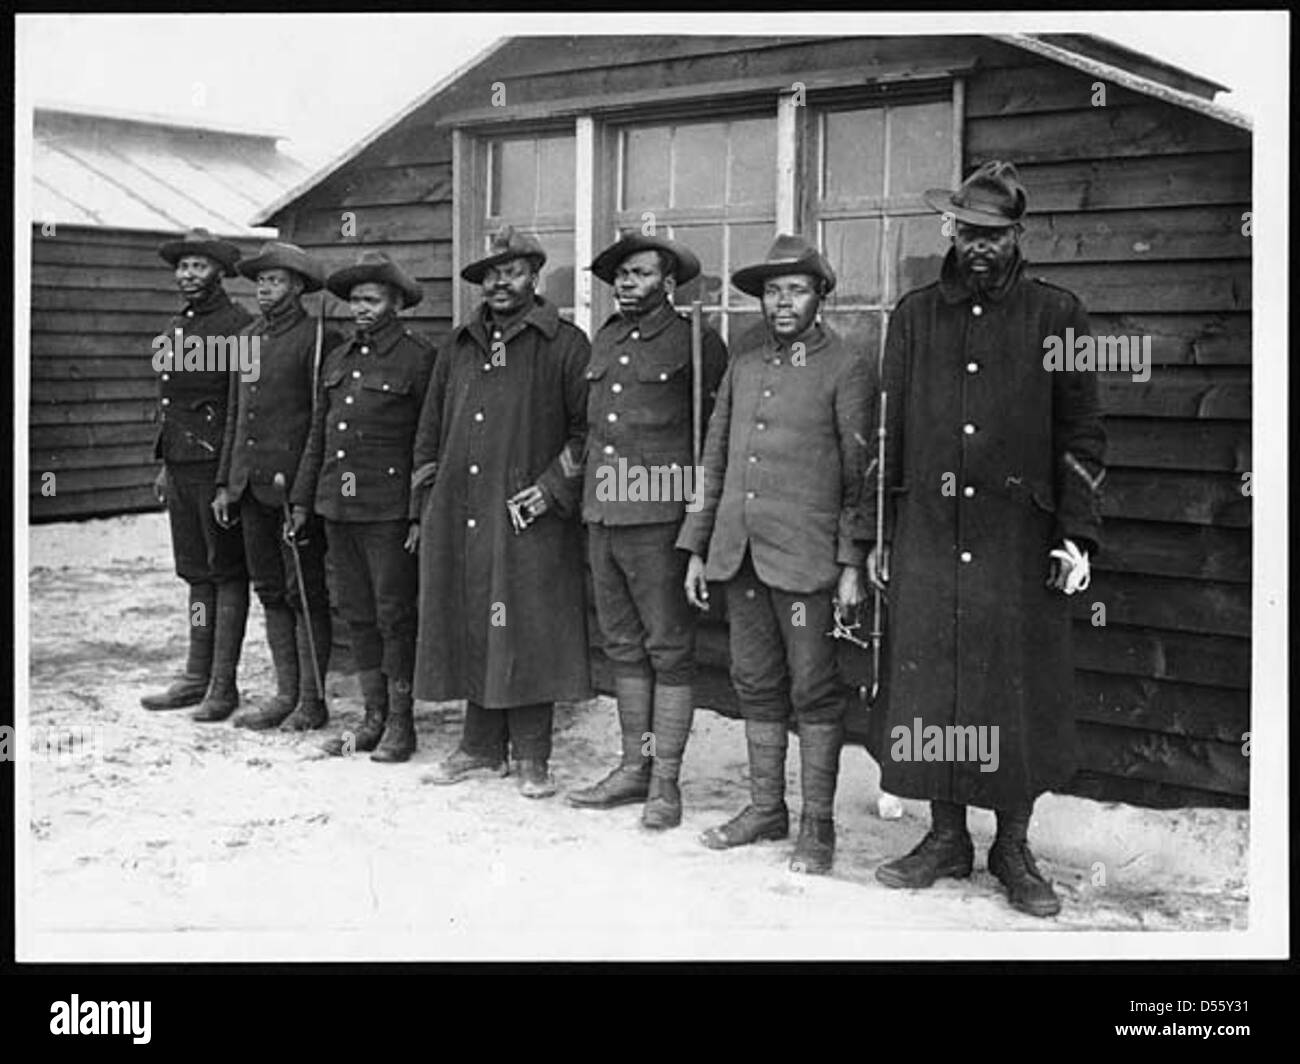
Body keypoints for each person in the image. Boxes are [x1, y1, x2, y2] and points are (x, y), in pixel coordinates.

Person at [869, 161, 1106, 917]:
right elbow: (889, 431)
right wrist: (878, 533)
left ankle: (1011, 844)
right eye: (968, 232)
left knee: (1012, 693)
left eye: (994, 236)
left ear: (1018, 237)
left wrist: (1078, 534)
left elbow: (1084, 435)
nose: (979, 248)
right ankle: (945, 838)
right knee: (934, 687)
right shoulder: (913, 316)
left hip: (1016, 539)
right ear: (952, 232)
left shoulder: (1058, 315)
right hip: (930, 536)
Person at [678, 234, 871, 874]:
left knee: (813, 690)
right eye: (771, 291)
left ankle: (817, 827)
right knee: (753, 683)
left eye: (795, 289)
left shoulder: (846, 366)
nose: (782, 302)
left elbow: (858, 473)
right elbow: (714, 458)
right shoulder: (746, 362)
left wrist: (850, 563)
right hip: (740, 555)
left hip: (807, 561)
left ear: (820, 295)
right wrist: (697, 547)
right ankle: (766, 809)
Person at [414, 226, 592, 798]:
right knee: (472, 617)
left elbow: (589, 433)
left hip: (527, 514)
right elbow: (429, 432)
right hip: (461, 512)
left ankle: (533, 756)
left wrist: (550, 489)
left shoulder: (564, 344)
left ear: (534, 276)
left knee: (526, 626)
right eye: (490, 273)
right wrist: (426, 504)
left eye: (511, 271)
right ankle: (479, 747)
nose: (499, 282)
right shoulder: (459, 345)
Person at [567, 234, 728, 829]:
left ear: (667, 282)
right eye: (620, 275)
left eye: (638, 274)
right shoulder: (606, 337)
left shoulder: (696, 342)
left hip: (659, 521)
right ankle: (634, 769)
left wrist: (696, 526)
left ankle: (665, 783)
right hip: (603, 513)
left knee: (669, 650)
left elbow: (715, 438)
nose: (626, 283)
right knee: (622, 647)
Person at [292, 251, 435, 762]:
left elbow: (428, 443)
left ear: (396, 303)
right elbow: (319, 433)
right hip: (339, 505)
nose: (361, 308)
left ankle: (401, 724)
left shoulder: (419, 359)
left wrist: (419, 513)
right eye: (354, 300)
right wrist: (303, 500)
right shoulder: (338, 359)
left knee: (394, 614)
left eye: (372, 300)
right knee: (357, 613)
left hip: (388, 509)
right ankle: (371, 718)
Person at [213, 242, 340, 731]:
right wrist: (226, 480)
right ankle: (285, 693)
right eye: (261, 280)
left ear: (300, 286)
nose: (265, 288)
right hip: (249, 489)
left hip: (292, 494)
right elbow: (234, 416)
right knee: (269, 590)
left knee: (302, 590)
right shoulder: (246, 338)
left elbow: (320, 425)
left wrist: (306, 495)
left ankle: (312, 700)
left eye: (277, 280)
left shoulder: (318, 340)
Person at [141, 227, 252, 722]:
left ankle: (223, 686)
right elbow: (170, 403)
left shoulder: (239, 328)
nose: (188, 275)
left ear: (220, 272)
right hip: (183, 466)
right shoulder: (173, 328)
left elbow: (241, 409)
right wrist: (166, 463)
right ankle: (195, 673)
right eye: (183, 266)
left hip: (217, 469)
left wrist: (229, 480)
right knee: (195, 573)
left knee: (227, 571)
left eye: (199, 266)